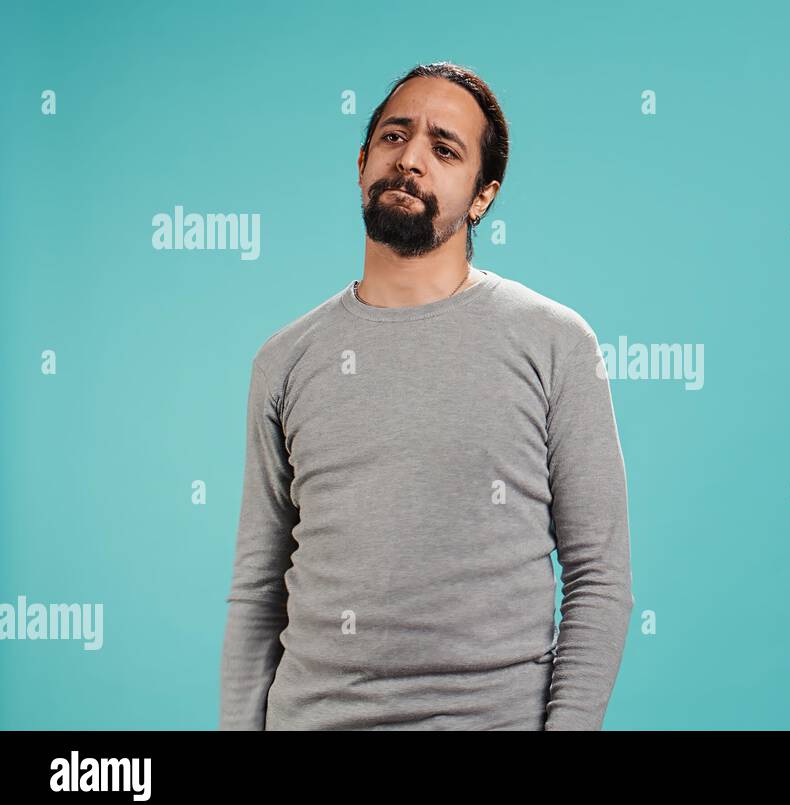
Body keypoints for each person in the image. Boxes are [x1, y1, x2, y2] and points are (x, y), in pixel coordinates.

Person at [218, 62, 634, 730]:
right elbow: (257, 589)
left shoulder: (556, 343)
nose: (410, 158)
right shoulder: (284, 360)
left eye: (444, 149)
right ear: (360, 163)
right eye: (392, 137)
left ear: (482, 196)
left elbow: (600, 578)